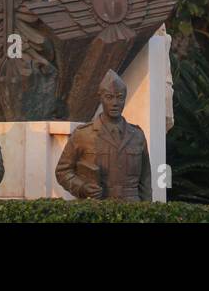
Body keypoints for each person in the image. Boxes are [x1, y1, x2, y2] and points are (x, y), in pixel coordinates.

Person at [55, 70, 151, 201]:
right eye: (109, 97)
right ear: (101, 98)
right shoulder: (83, 134)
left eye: (120, 97)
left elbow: (145, 180)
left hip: (132, 208)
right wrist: (82, 188)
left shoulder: (137, 135)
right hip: (97, 208)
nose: (115, 103)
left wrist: (148, 212)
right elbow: (63, 171)